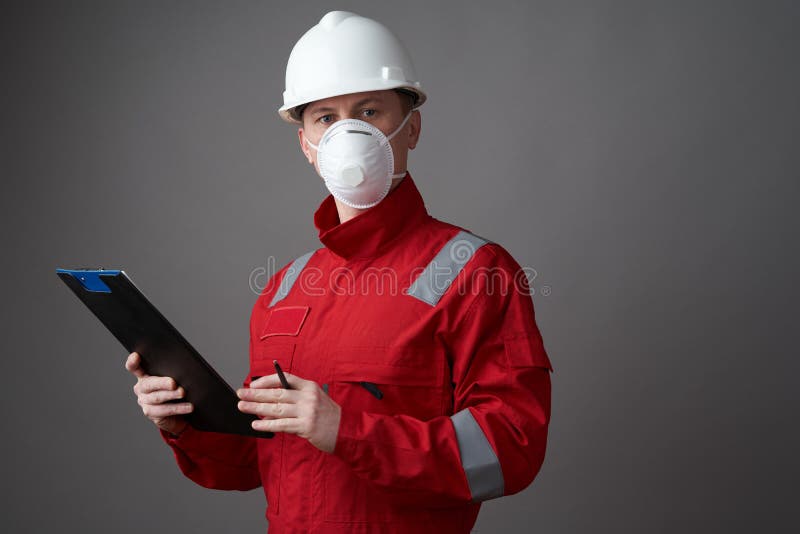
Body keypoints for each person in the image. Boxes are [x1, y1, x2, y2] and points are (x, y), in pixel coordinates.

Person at [125, 10, 553, 534]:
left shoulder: (476, 273)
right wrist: (185, 423)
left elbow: (510, 449)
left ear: (411, 126)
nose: (348, 132)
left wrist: (346, 430)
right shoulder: (283, 290)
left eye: (369, 110)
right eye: (325, 117)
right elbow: (255, 464)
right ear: (306, 144)